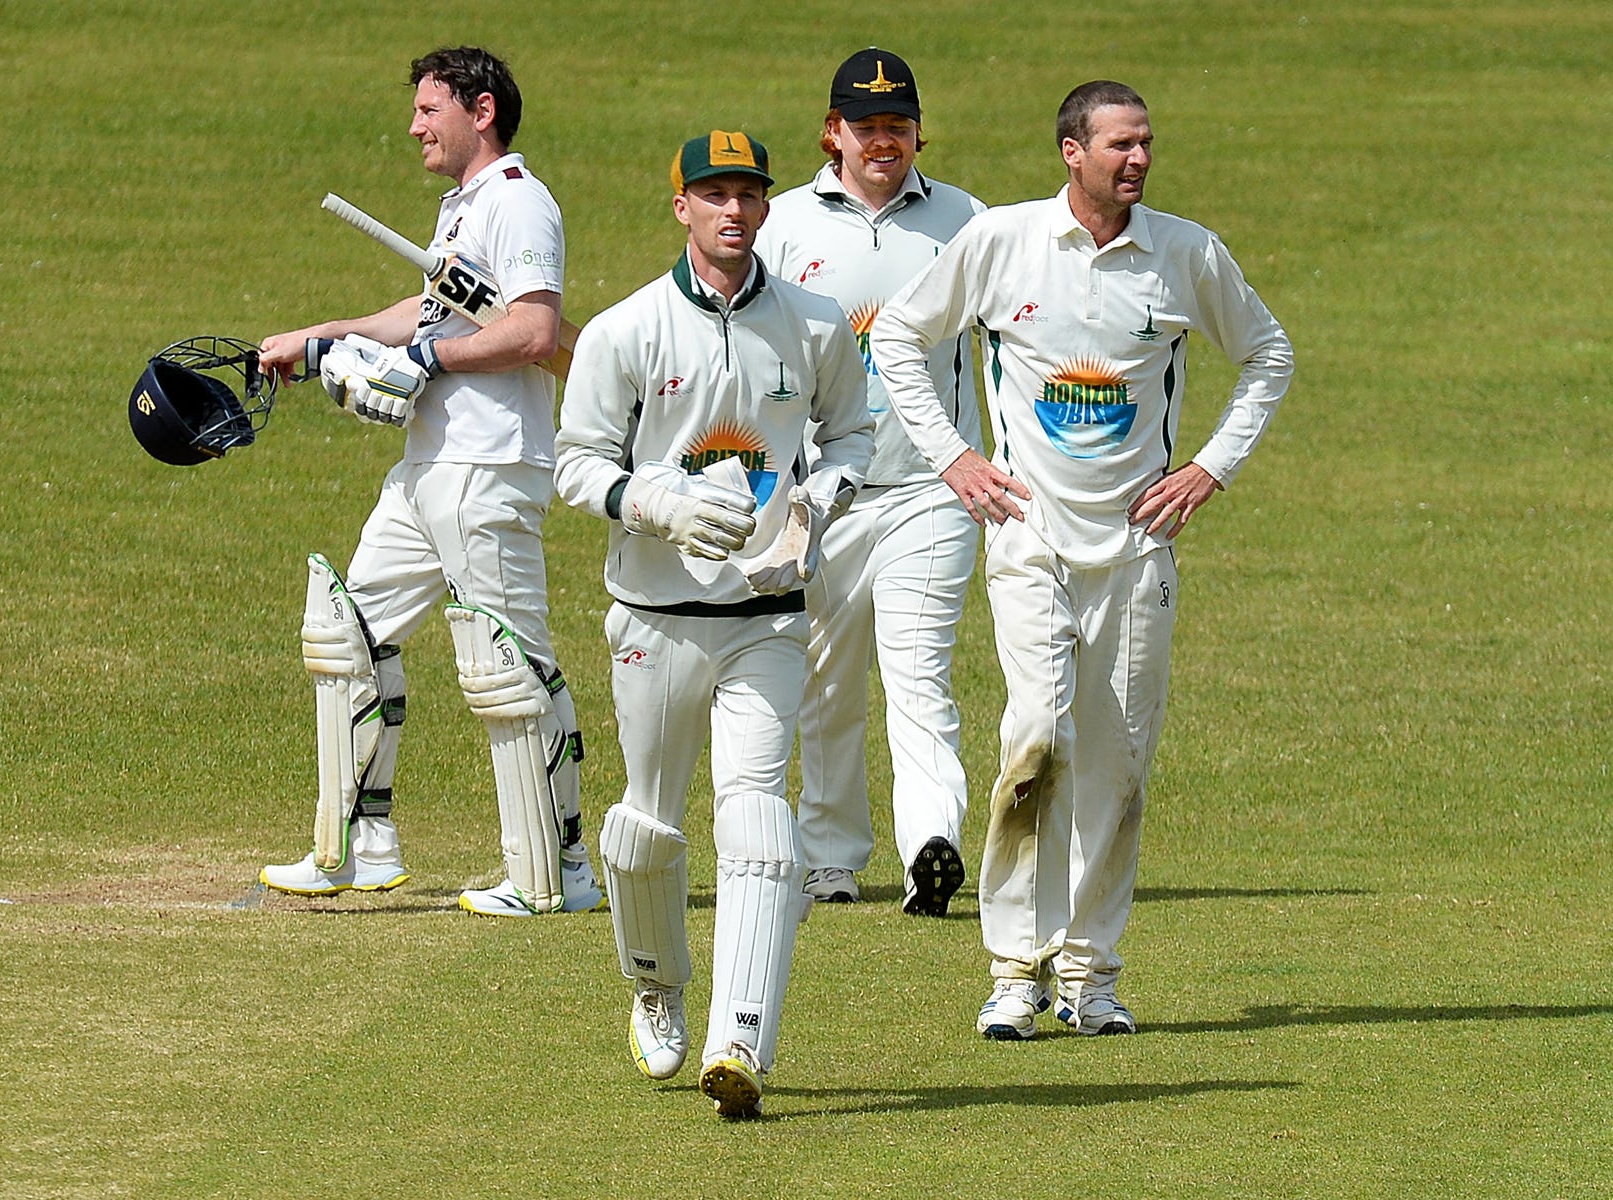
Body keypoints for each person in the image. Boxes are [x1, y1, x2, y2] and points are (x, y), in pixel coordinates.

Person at [872, 81, 1294, 1037]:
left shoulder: (1185, 254)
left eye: (1146, 143)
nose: (1138, 159)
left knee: (1116, 764)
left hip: (1138, 550)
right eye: (1119, 145)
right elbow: (899, 335)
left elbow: (1268, 355)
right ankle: (1014, 972)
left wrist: (1208, 470)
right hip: (1030, 538)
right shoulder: (1002, 242)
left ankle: (1091, 974)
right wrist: (954, 459)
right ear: (1072, 151)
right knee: (1034, 740)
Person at [554, 131, 872, 1117]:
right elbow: (573, 464)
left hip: (766, 618)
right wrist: (655, 503)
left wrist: (815, 507)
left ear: (767, 207)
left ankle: (740, 1041)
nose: (733, 212)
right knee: (648, 822)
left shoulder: (814, 324)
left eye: (748, 194)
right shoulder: (626, 330)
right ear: (681, 207)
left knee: (758, 816)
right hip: (656, 617)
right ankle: (657, 986)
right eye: (713, 195)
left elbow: (853, 435)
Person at [253, 45, 604, 918]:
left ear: (480, 111)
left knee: (509, 666)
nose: (414, 125)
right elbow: (432, 312)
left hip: (489, 468)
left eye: (427, 109)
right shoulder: (464, 208)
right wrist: (326, 334)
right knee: (349, 636)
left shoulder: (520, 202)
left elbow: (531, 331)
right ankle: (358, 848)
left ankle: (552, 873)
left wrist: (422, 359)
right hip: (428, 466)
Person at [755, 48, 986, 916]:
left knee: (919, 673)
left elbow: (1007, 349)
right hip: (823, 492)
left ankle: (934, 837)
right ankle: (830, 858)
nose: (882, 140)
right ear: (833, 132)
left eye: (897, 125)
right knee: (825, 678)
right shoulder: (781, 226)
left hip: (932, 488)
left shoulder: (968, 220)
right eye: (866, 125)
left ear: (919, 131)